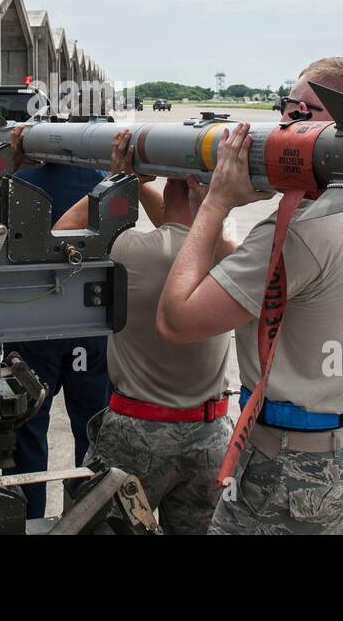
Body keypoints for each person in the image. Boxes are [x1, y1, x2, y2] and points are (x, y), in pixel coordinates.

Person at [157, 57, 343, 535]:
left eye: (306, 111)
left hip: (289, 472)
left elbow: (177, 320)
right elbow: (267, 274)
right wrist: (206, 203)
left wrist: (217, 204)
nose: (286, 122)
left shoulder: (306, 228)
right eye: (288, 106)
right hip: (337, 453)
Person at [54, 130, 235, 534]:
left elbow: (63, 234)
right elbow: (184, 232)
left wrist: (119, 183)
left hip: (136, 432)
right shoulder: (230, 254)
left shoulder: (131, 249)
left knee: (97, 528)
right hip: (212, 433)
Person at [2, 124, 111, 520]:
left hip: (32, 323)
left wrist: (17, 162)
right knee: (93, 426)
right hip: (91, 322)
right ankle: (88, 516)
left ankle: (29, 517)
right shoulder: (102, 181)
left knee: (28, 425)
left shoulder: (19, 181)